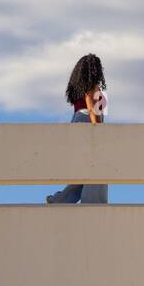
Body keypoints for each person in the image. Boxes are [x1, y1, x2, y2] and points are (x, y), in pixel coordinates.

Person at [47, 54, 109, 205]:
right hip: (89, 120)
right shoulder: (92, 86)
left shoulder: (80, 86)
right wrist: (98, 129)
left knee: (84, 171)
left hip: (78, 119)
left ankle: (59, 201)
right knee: (96, 168)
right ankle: (93, 203)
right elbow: (91, 104)